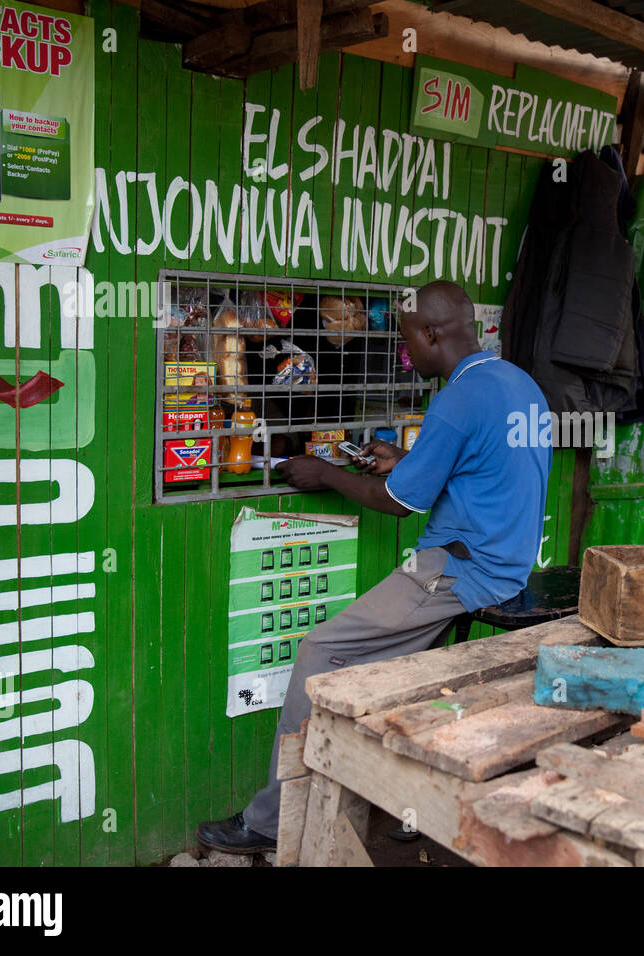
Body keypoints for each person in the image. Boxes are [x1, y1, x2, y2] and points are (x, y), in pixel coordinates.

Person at [196, 281, 552, 853]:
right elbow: (483, 471)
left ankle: (270, 822)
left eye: (409, 337)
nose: (405, 351)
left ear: (433, 334)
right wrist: (406, 460)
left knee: (318, 655)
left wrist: (326, 475)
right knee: (386, 672)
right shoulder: (516, 383)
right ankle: (380, 801)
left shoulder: (458, 398)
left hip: (461, 570)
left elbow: (397, 502)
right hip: (509, 560)